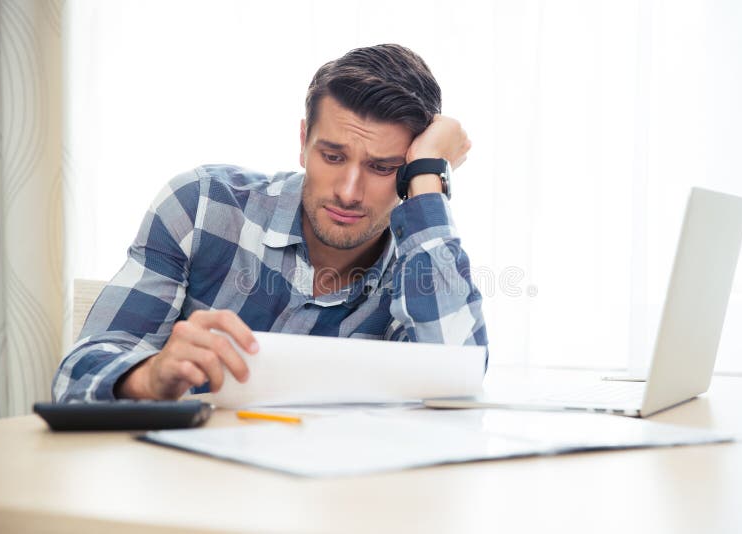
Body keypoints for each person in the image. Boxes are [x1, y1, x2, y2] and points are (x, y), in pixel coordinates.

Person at [53, 43, 488, 402]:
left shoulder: (419, 265)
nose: (348, 191)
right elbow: (75, 376)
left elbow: (454, 391)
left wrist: (429, 182)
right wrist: (147, 377)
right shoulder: (202, 207)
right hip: (184, 489)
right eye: (332, 157)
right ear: (303, 143)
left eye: (382, 168)